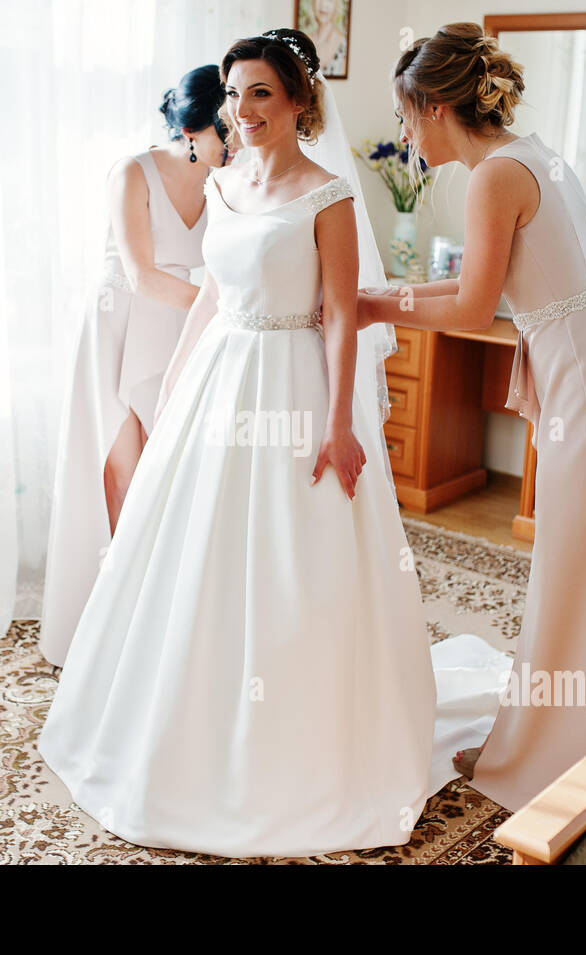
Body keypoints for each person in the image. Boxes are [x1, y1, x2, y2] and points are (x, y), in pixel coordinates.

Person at [37, 29, 437, 857]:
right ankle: (179, 737)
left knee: (294, 561)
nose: (243, 110)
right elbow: (211, 298)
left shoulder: (326, 197)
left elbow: (338, 316)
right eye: (234, 93)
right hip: (219, 377)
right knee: (189, 560)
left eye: (261, 92)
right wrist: (176, 393)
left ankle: (295, 752)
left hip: (292, 384)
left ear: (298, 102)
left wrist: (337, 424)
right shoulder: (222, 186)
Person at [358, 22, 586, 812]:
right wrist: (378, 302)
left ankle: (552, 755)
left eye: (404, 117)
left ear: (434, 106)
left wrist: (376, 303)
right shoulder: (533, 154)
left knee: (574, 565)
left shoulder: (496, 177)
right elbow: (487, 288)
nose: (403, 135)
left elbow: (471, 302)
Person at [40, 66, 228, 667]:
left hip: (180, 329)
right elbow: (144, 274)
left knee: (169, 472)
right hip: (120, 325)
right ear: (198, 126)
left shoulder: (225, 183)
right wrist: (224, 306)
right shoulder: (133, 172)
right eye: (231, 128)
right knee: (123, 468)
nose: (242, 141)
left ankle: (157, 615)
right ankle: (113, 622)